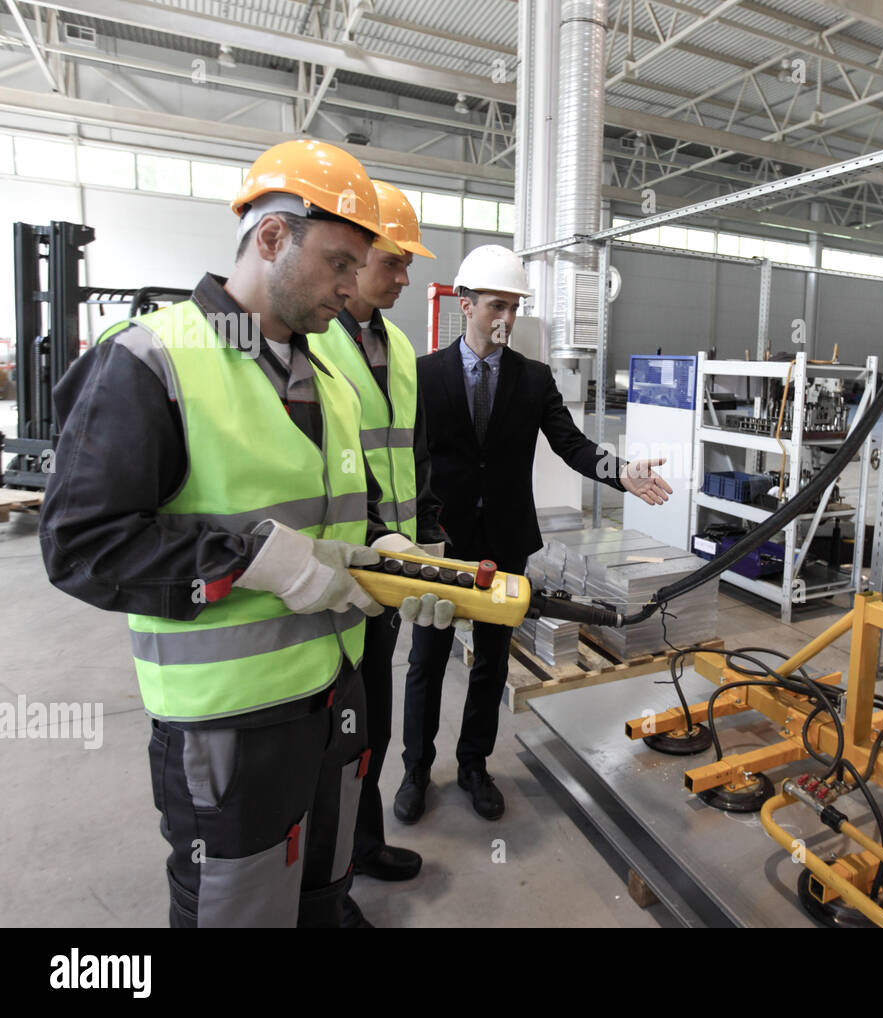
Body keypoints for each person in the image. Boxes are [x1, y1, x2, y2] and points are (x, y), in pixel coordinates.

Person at [39, 139, 448, 927]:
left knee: (323, 887)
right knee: (242, 909)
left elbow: (336, 513)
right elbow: (81, 544)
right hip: (231, 724)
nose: (351, 284)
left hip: (334, 695)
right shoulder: (154, 358)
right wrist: (253, 560)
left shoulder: (327, 377)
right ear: (271, 238)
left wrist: (385, 557)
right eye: (337, 263)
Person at [395, 244, 672, 823]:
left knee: (492, 661)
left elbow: (572, 447)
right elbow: (407, 460)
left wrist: (619, 471)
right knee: (427, 657)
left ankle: (474, 764)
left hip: (505, 541)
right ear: (464, 305)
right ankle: (416, 770)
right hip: (442, 543)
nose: (506, 319)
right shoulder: (422, 376)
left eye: (514, 308)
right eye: (497, 305)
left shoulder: (533, 379)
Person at [306, 180, 445, 884]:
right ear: (354, 256)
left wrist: (431, 532)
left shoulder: (397, 344)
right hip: (336, 566)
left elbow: (413, 452)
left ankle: (362, 845)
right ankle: (330, 881)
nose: (403, 275)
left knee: (374, 726)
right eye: (393, 261)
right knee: (334, 734)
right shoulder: (314, 344)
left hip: (393, 563)